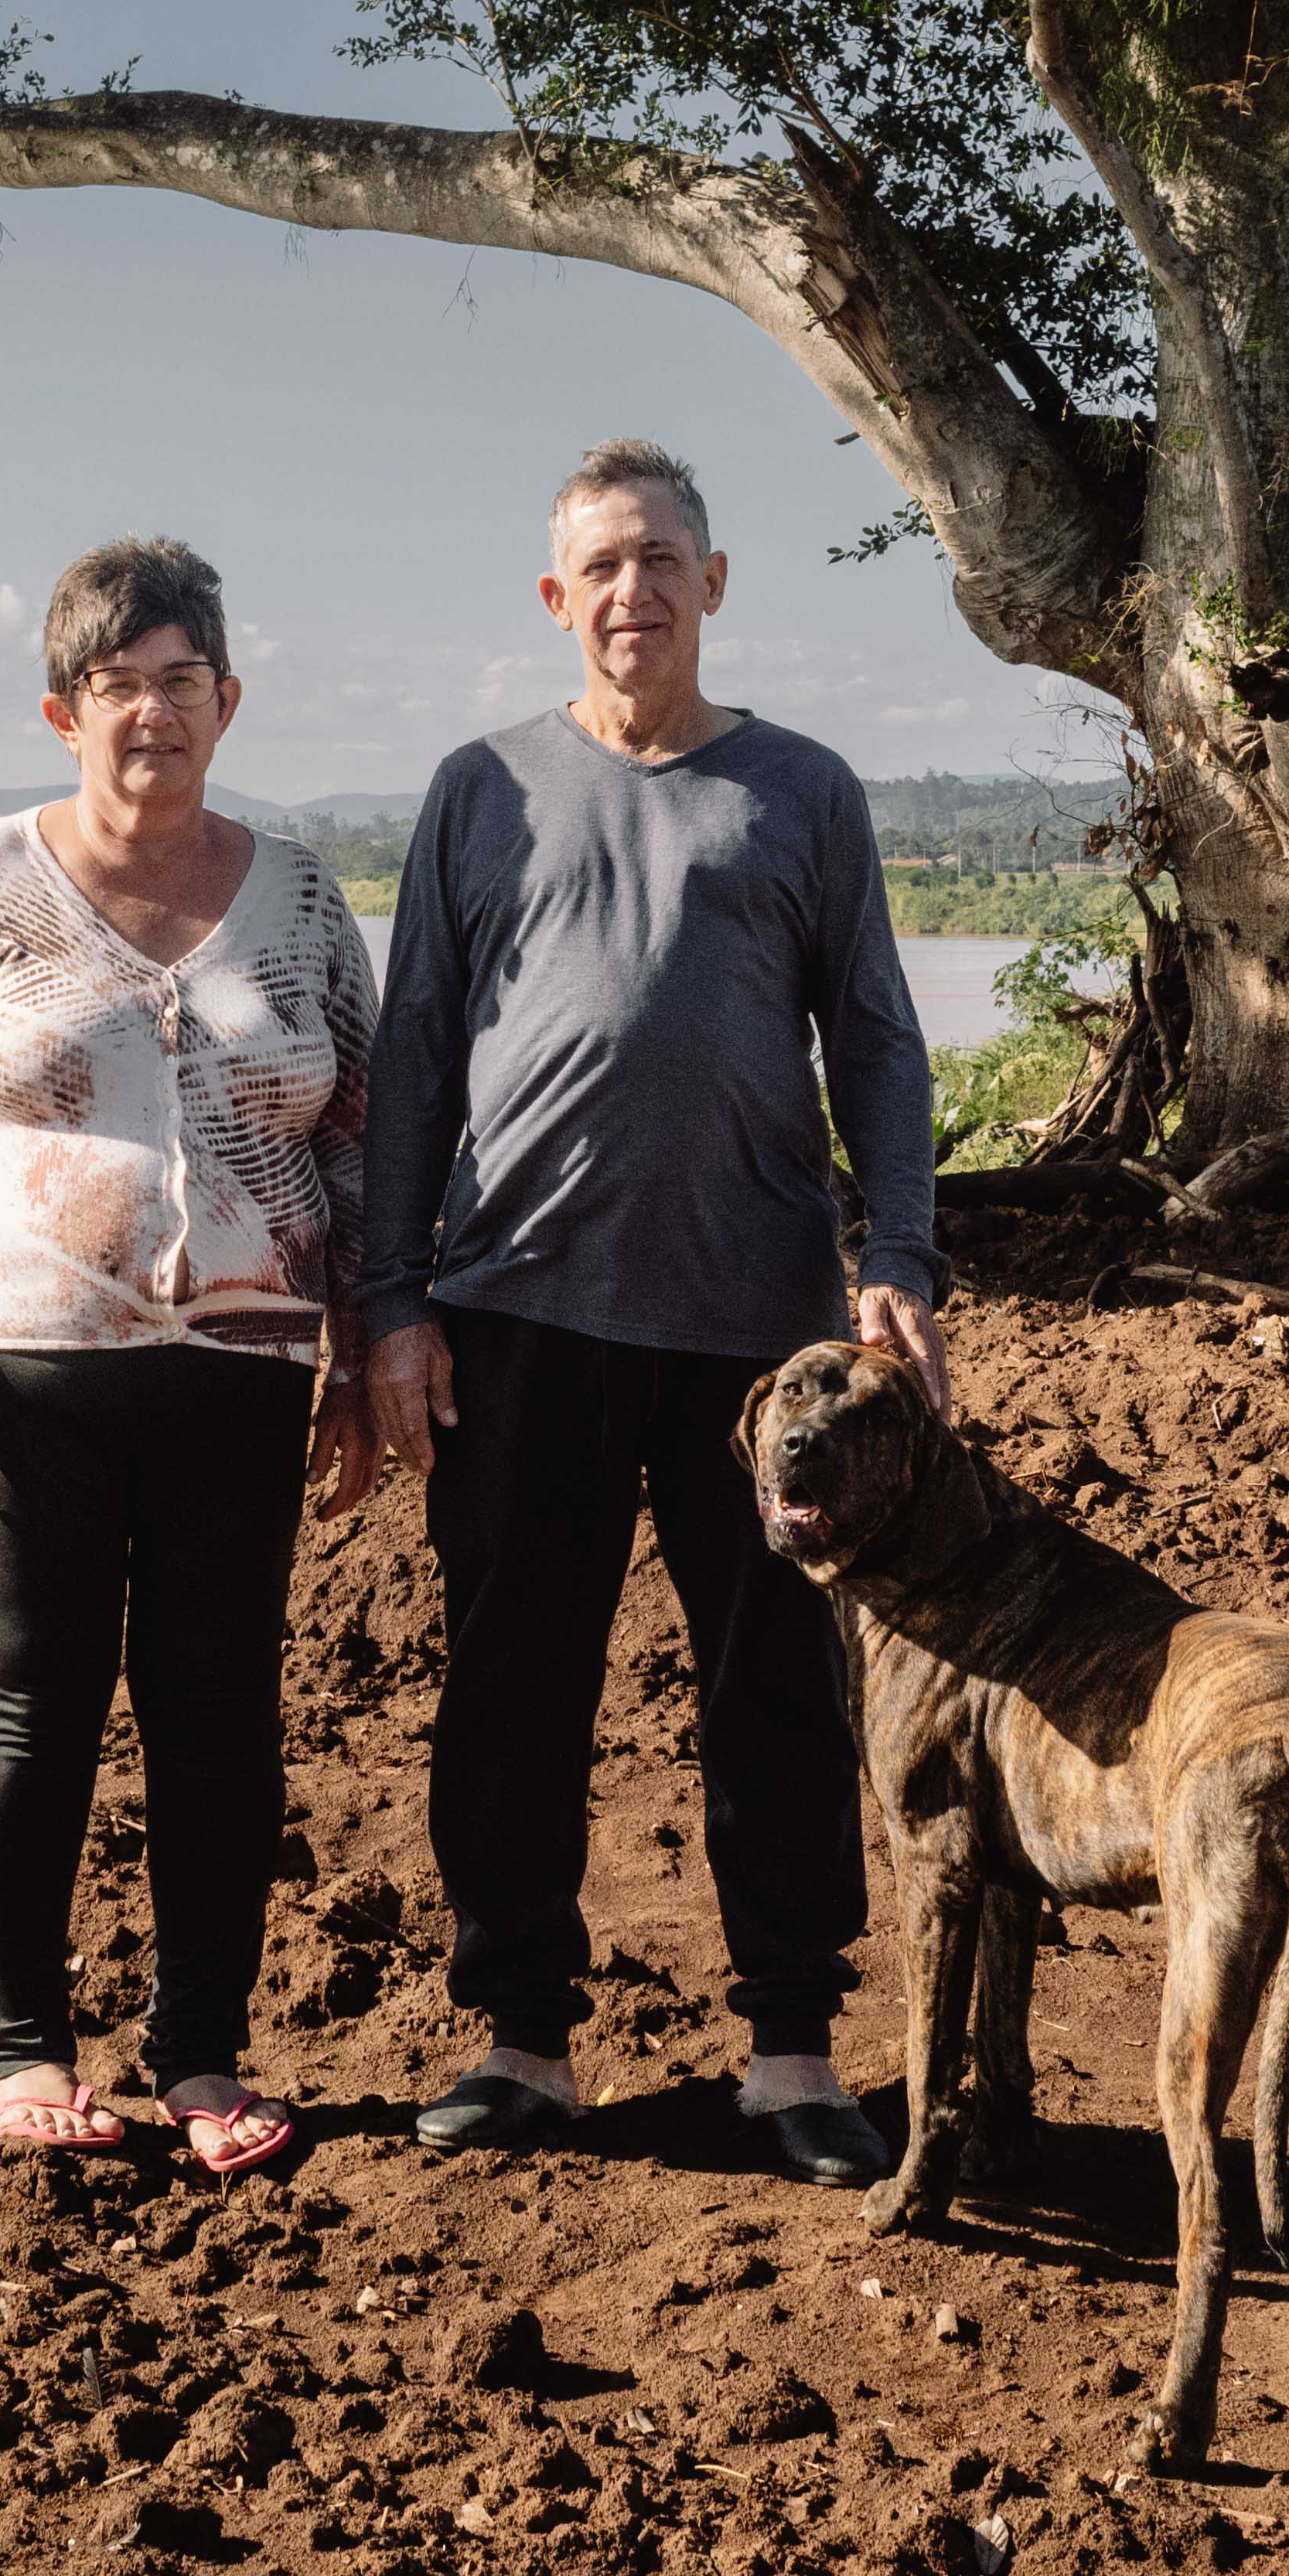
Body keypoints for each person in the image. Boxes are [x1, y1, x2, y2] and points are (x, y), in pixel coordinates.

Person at [358, 437, 947, 2185]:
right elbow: (412, 1059)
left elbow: (878, 1035)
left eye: (660, 560)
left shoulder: (801, 790)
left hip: (756, 1337)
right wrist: (390, 1299)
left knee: (774, 1682)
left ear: (712, 582)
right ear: (559, 598)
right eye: (601, 566)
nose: (633, 591)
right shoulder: (480, 788)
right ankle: (520, 2039)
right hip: (517, 1308)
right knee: (513, 1682)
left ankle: (792, 2050)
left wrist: (897, 1257)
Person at [0, 538, 377, 2178]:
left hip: (246, 1375)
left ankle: (202, 2055)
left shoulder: (299, 895)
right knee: (36, 1699)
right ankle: (20, 2052)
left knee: (219, 1710)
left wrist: (361, 1354)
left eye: (181, 680)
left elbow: (364, 1141)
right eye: (118, 684)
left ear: (228, 699)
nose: (153, 712)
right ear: (62, 711)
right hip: (26, 1376)